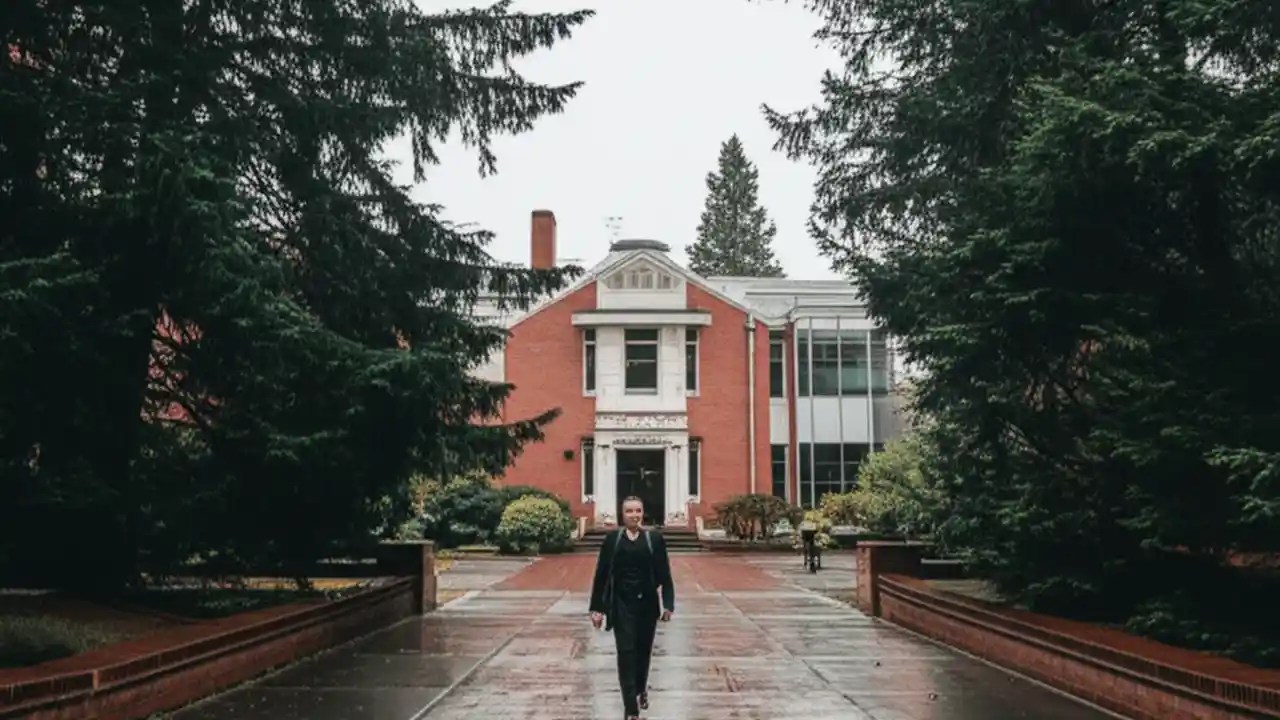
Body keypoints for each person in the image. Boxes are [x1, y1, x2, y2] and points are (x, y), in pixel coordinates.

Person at [588, 496, 675, 720]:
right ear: (622, 514)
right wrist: (596, 608)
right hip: (621, 604)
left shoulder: (653, 539)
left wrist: (668, 604)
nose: (634, 515)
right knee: (626, 652)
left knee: (642, 652)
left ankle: (640, 689)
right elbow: (602, 575)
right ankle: (630, 709)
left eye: (638, 511)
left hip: (647, 605)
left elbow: (665, 574)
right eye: (629, 511)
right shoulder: (612, 540)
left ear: (642, 513)